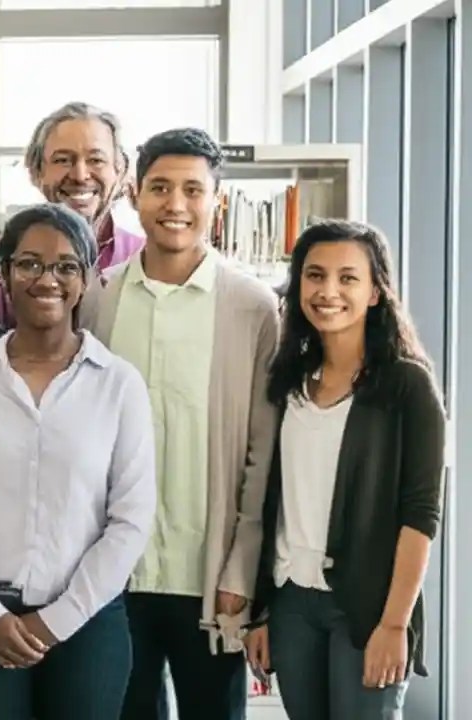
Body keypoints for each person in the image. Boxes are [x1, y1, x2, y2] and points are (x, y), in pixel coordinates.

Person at [77, 127, 280, 720]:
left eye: (193, 189)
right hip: (117, 572)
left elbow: (262, 452)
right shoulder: (98, 298)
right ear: (135, 194)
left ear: (216, 200)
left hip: (209, 573)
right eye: (160, 187)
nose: (175, 204)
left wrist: (242, 566)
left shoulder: (252, 306)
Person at [0, 203, 157, 719]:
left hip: (86, 625)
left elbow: (130, 519)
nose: (46, 279)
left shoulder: (119, 384)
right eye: (29, 264)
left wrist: (55, 620)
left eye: (66, 266)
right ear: (4, 274)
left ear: (87, 279)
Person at [244, 220, 444, 720]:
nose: (327, 291)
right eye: (314, 275)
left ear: (376, 291)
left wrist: (395, 624)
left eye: (347, 278)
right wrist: (262, 612)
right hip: (292, 606)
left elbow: (421, 516)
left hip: (367, 608)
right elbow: (272, 505)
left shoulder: (407, 386)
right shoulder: (287, 381)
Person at [0, 101, 144, 331]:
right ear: (37, 171)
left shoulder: (143, 260)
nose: (80, 175)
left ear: (119, 171)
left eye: (96, 160)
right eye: (63, 160)